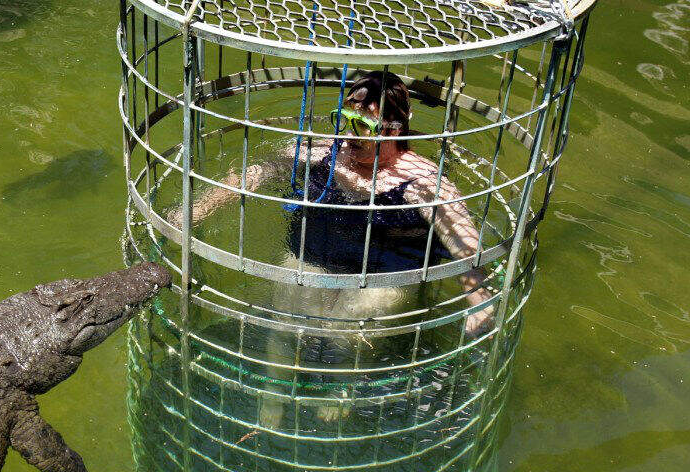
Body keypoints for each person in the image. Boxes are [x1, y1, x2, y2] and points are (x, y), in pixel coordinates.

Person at [181, 71, 495, 425]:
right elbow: (258, 170)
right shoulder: (327, 155)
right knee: (286, 320)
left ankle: (339, 384)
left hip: (385, 273)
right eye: (344, 120)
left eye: (361, 125)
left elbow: (461, 239)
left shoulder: (422, 182)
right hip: (314, 256)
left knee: (344, 330)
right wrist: (197, 210)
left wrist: (477, 298)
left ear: (393, 129)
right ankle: (273, 395)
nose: (347, 135)